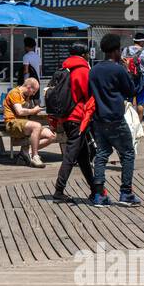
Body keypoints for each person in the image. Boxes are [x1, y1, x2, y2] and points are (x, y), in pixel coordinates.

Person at [88, 33, 140, 207]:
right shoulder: (118, 69)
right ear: (116, 51)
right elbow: (131, 91)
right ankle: (126, 193)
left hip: (98, 119)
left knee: (102, 154)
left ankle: (99, 194)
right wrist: (129, 72)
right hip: (116, 118)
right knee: (127, 153)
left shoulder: (93, 70)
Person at [50, 42, 96, 202]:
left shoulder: (63, 69)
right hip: (77, 118)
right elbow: (88, 94)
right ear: (83, 55)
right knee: (70, 156)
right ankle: (58, 191)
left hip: (66, 117)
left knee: (83, 156)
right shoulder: (83, 70)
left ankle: (95, 189)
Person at [3, 76, 53, 168]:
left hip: (24, 123)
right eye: (33, 91)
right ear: (29, 87)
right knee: (37, 126)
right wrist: (34, 110)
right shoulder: (14, 93)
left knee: (51, 135)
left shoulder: (26, 96)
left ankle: (26, 152)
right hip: (12, 123)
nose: (33, 94)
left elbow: (27, 112)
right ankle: (35, 156)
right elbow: (20, 111)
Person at [123, 32, 144, 111]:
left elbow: (122, 62)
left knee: (128, 103)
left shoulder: (126, 50)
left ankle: (128, 123)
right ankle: (139, 123)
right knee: (141, 104)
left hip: (128, 78)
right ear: (141, 41)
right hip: (141, 79)